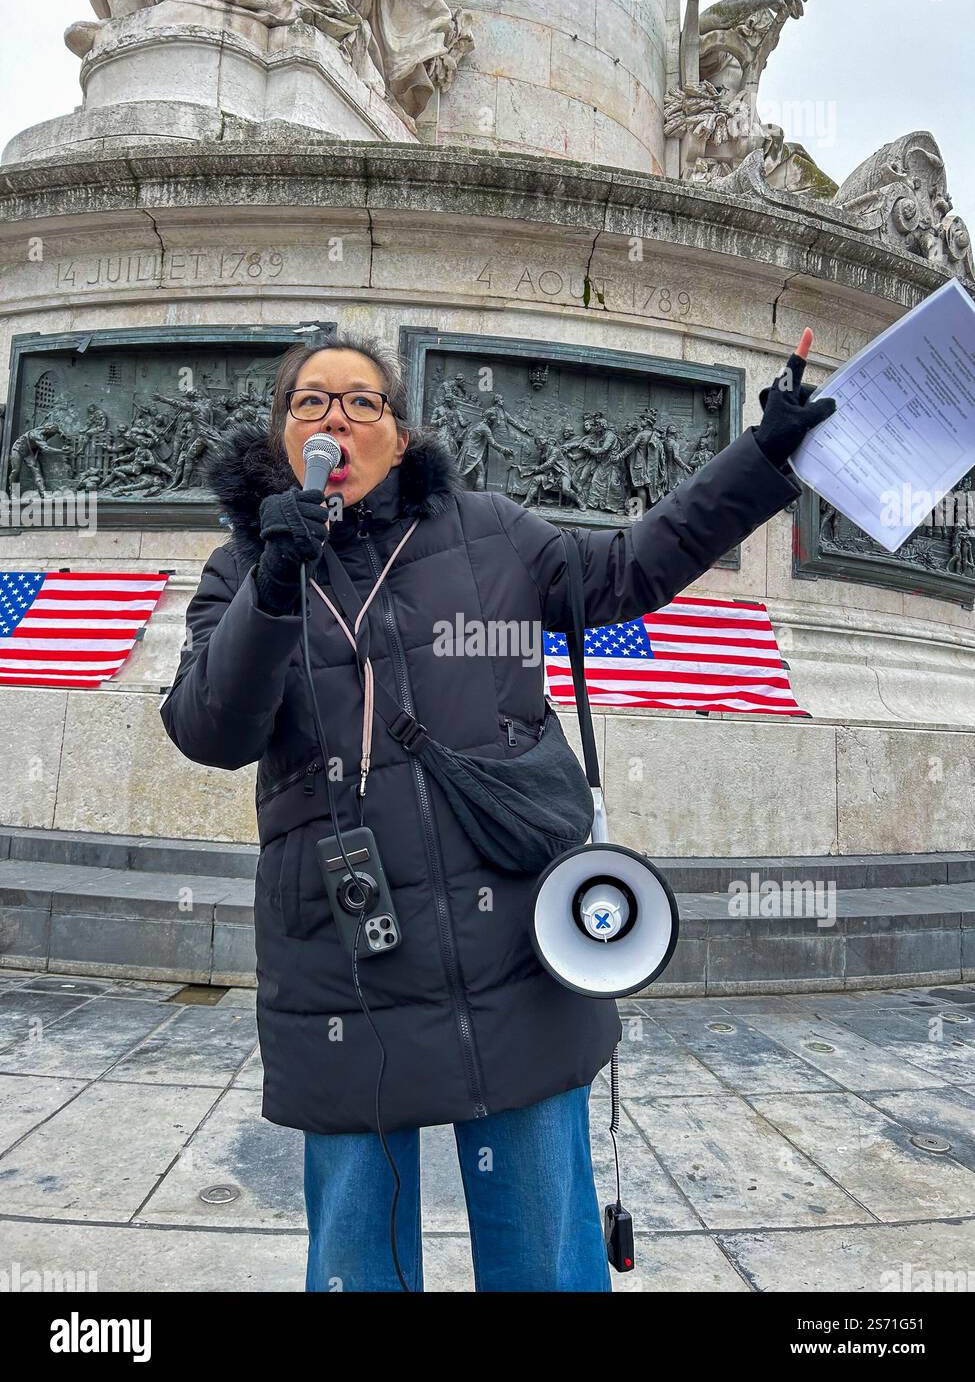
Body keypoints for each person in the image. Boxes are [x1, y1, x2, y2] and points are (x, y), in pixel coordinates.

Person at [159, 328, 833, 1292]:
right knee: (354, 1245)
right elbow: (208, 729)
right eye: (310, 402)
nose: (336, 418)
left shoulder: (489, 533)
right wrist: (272, 584)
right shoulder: (241, 570)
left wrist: (760, 457)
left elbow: (627, 570)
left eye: (362, 401)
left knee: (543, 1244)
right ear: (280, 436)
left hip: (511, 939)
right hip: (345, 955)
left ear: (398, 431)